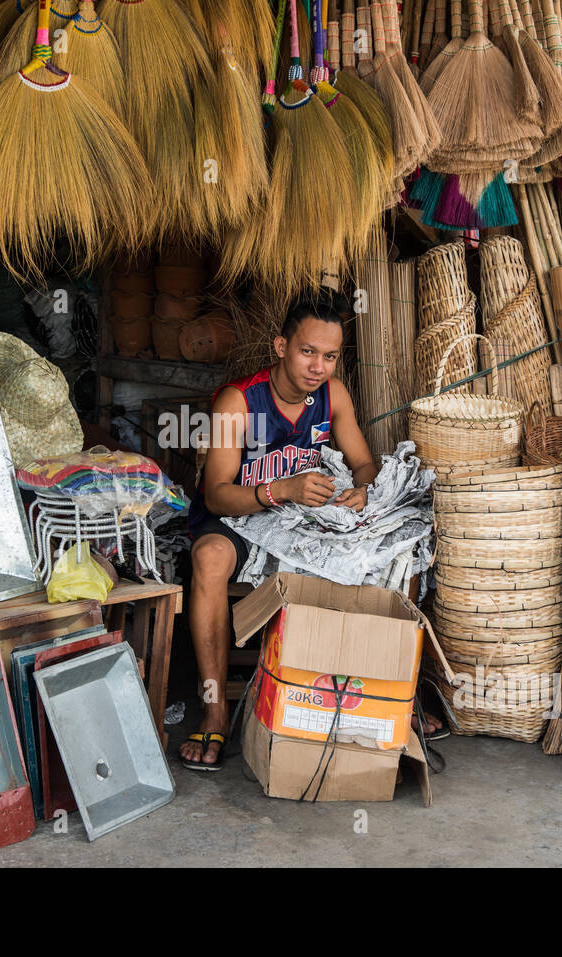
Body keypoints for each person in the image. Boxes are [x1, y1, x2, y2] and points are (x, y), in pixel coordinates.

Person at [179, 295, 440, 771]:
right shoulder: (238, 401)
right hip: (240, 511)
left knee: (397, 549)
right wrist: (280, 489)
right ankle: (216, 708)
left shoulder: (333, 395)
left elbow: (363, 462)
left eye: (330, 356)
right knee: (210, 559)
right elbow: (217, 494)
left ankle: (399, 694)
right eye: (307, 352)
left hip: (301, 513)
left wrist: (361, 490)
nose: (318, 366)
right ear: (281, 346)